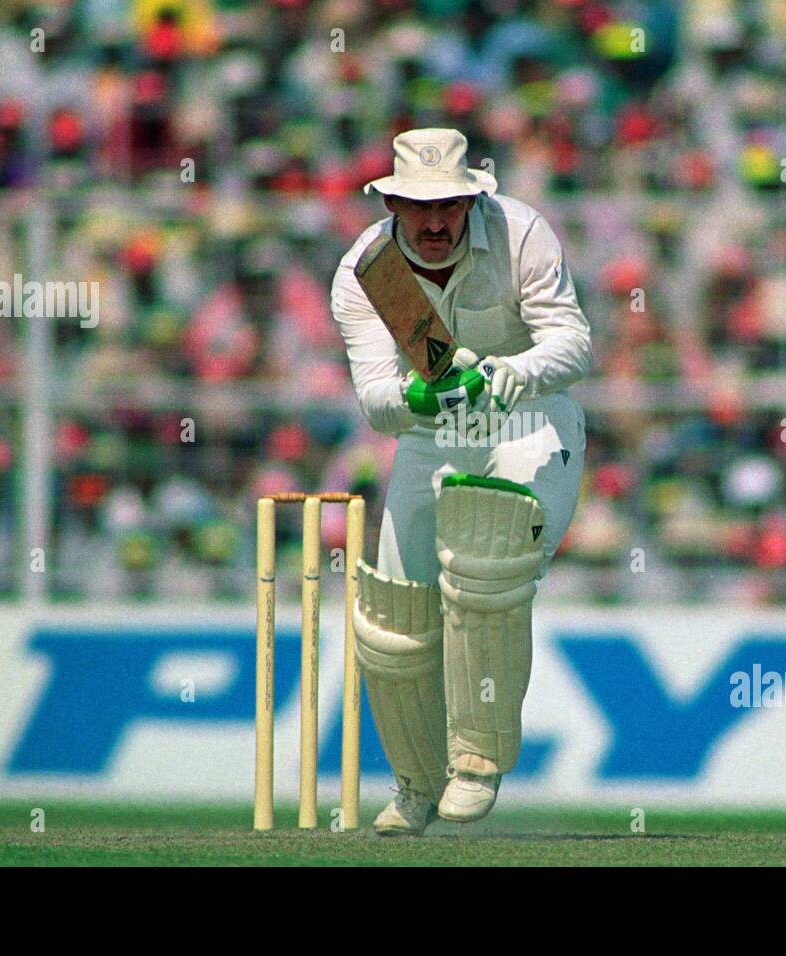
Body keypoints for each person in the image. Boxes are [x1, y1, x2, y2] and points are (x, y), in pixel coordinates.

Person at [331, 128, 591, 835]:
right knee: (395, 618)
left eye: (450, 204)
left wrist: (516, 371)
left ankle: (475, 764)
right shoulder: (370, 270)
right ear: (389, 202)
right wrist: (416, 399)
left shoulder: (519, 231)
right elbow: (377, 398)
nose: (437, 221)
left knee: (489, 563)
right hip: (433, 434)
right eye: (419, 207)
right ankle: (416, 783)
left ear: (471, 196)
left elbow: (574, 340)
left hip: (528, 418)